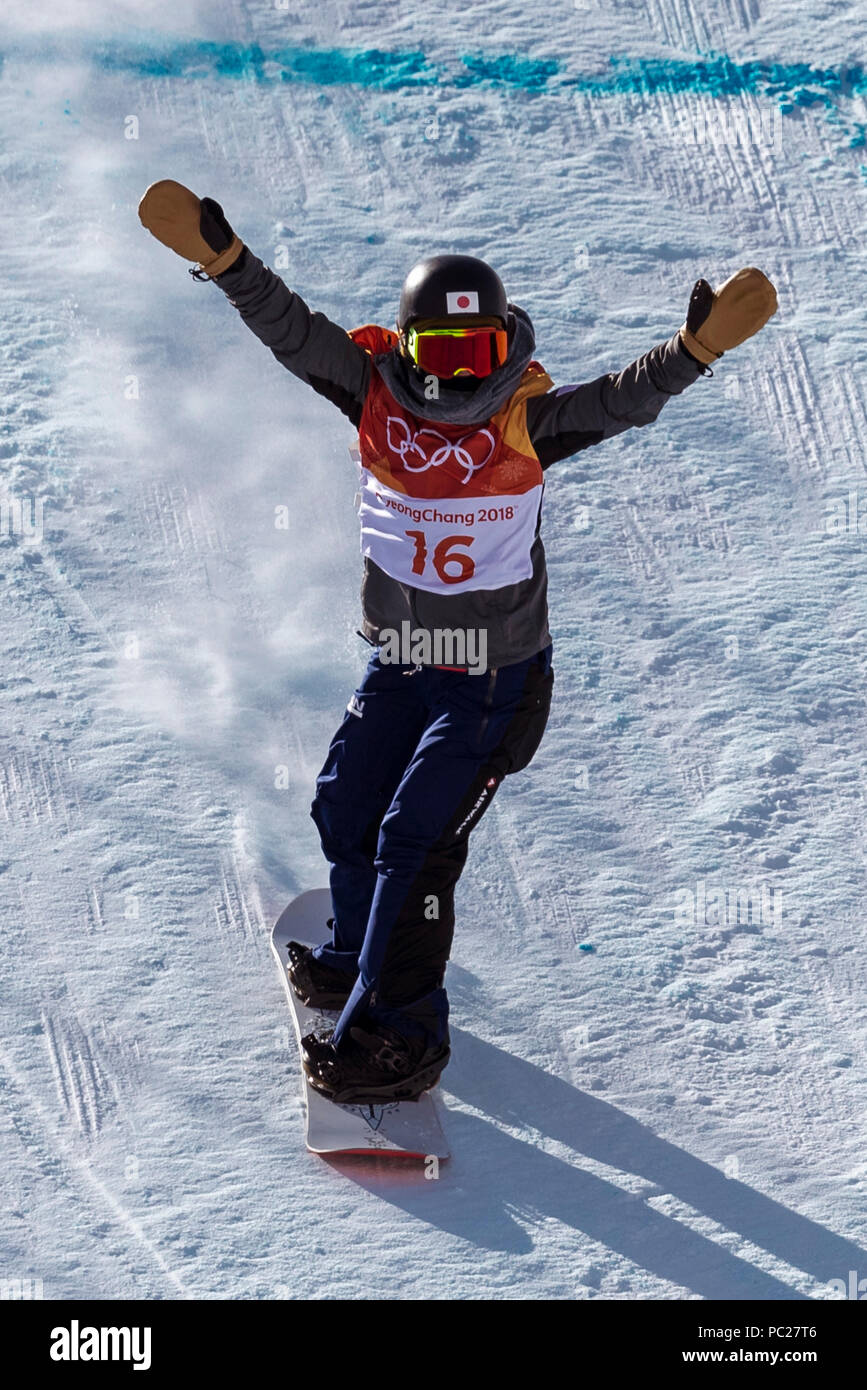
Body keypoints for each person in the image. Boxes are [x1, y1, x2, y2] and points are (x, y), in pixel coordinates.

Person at [139, 180, 777, 1104]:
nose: (456, 373)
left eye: (476, 350)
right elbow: (293, 331)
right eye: (438, 350)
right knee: (345, 809)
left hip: (492, 684)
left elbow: (622, 400)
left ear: (504, 345)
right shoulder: (370, 396)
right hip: (402, 662)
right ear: (405, 347)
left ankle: (403, 1038)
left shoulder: (523, 419)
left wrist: (694, 351)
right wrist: (227, 263)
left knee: (417, 841)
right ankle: (360, 953)